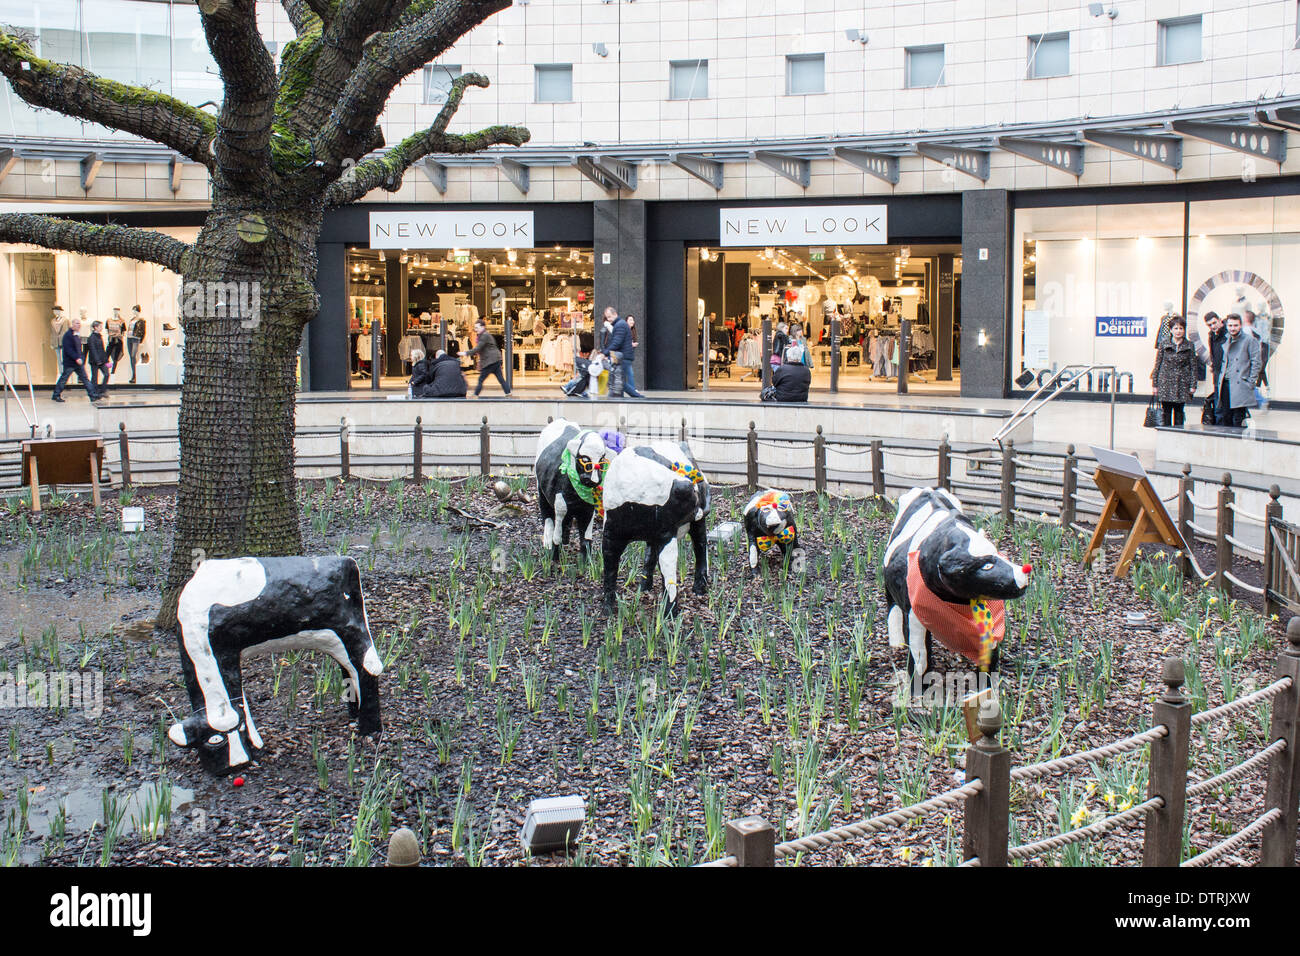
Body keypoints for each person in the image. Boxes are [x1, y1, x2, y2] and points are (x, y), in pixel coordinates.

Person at [1215, 313, 1261, 429]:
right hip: (1226, 383)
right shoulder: (1226, 340)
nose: (1232, 328)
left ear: (1240, 326)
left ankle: (1238, 444)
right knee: (1226, 416)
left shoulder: (1249, 340)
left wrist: (1250, 382)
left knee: (1238, 417)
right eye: (1230, 325)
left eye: (1235, 325)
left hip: (1240, 384)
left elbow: (1256, 362)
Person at [1150, 316, 1195, 428]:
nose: (1178, 331)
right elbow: (1158, 364)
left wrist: (1193, 385)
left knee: (1179, 411)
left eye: (1181, 328)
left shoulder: (1189, 345)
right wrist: (1155, 384)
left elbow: (1193, 366)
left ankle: (1179, 434)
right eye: (1176, 328)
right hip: (1166, 382)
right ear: (1171, 330)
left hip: (1182, 383)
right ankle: (1166, 435)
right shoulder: (1164, 344)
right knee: (1166, 411)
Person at [51, 316, 101, 403]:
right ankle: (56, 394)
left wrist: (81, 357)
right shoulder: (68, 335)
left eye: (79, 324)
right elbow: (68, 349)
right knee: (64, 379)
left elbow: (78, 349)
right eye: (77, 323)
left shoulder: (76, 335)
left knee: (85, 379)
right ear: (72, 324)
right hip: (70, 363)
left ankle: (93, 395)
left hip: (77, 363)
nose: (79, 325)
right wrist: (77, 358)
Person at [467, 318, 510, 396]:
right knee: (500, 379)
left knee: (481, 379)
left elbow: (478, 348)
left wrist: (465, 353)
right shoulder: (484, 335)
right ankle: (508, 392)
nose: (475, 329)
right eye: (475, 327)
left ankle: (475, 394)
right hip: (495, 360)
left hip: (490, 361)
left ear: (483, 327)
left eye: (477, 327)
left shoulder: (484, 335)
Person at [86, 320, 112, 397]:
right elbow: (93, 350)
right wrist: (97, 360)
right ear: (95, 327)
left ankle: (102, 390)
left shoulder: (99, 336)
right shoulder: (91, 338)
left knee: (107, 374)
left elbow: (102, 349)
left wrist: (106, 360)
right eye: (100, 326)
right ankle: (94, 392)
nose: (101, 328)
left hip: (102, 360)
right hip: (94, 361)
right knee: (94, 377)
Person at [622, 315, 645, 397]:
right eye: (630, 320)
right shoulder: (625, 330)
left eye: (633, 320)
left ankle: (630, 390)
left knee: (626, 374)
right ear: (626, 321)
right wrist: (631, 344)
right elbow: (622, 342)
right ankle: (633, 390)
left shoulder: (632, 331)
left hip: (628, 356)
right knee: (629, 373)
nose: (632, 321)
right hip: (624, 356)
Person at [127, 306, 146, 383]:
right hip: (129, 338)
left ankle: (135, 375)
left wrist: (141, 341)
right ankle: (133, 375)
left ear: (138, 311)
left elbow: (143, 331)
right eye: (133, 310)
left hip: (136, 338)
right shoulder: (132, 319)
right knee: (131, 357)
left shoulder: (141, 320)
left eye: (135, 310)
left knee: (133, 356)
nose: (134, 312)